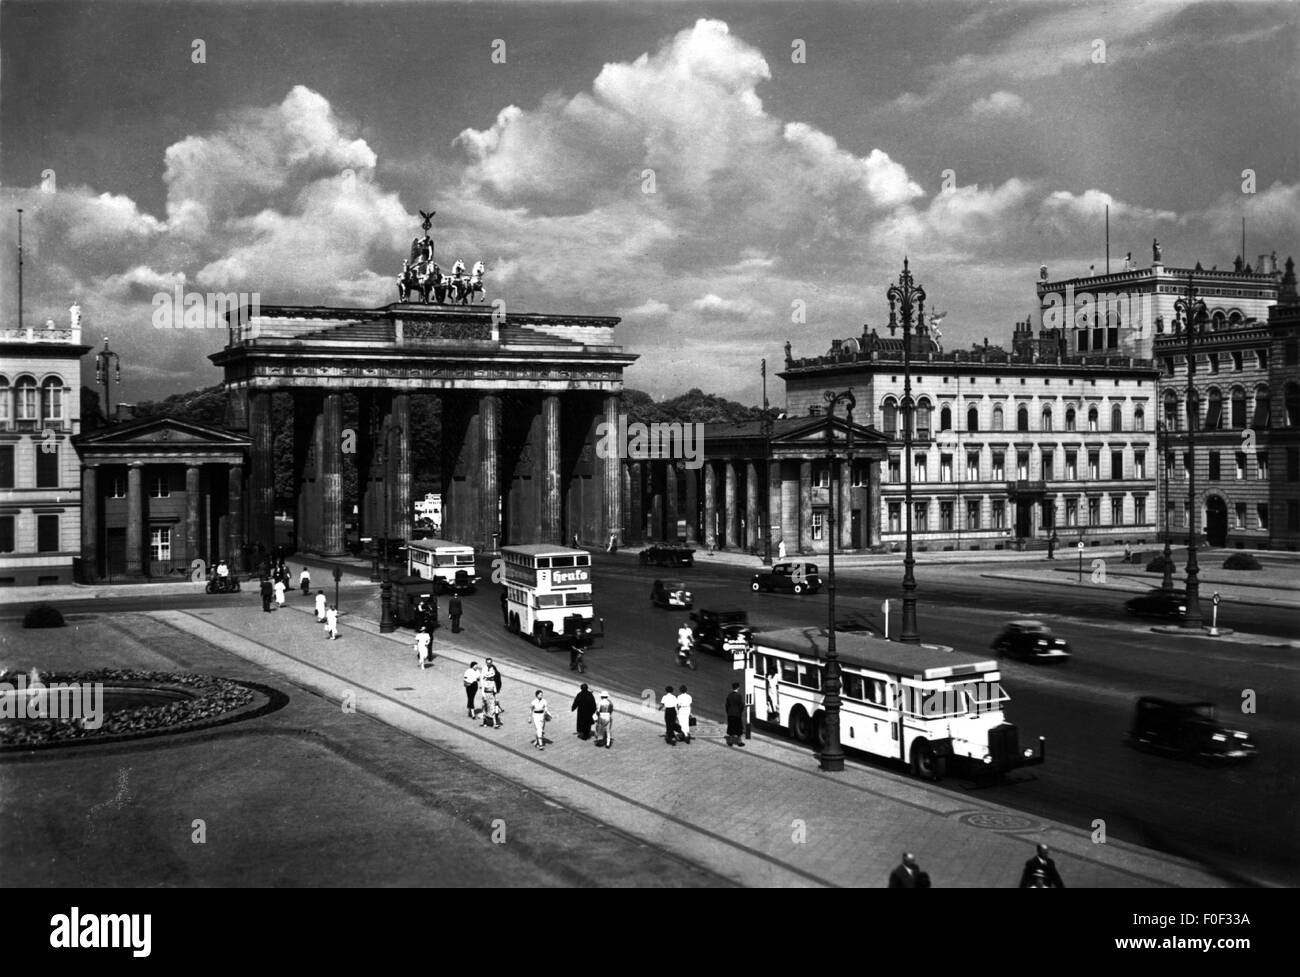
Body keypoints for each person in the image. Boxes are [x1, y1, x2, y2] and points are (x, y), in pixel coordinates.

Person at [481, 658, 502, 729]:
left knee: (492, 707)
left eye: (490, 662)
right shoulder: (484, 669)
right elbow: (482, 682)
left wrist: (496, 690)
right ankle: (485, 722)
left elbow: (496, 680)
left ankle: (494, 723)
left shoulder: (493, 669)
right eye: (488, 663)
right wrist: (483, 693)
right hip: (486, 691)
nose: (489, 664)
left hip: (492, 692)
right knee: (485, 707)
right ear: (486, 663)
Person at [724, 681, 746, 747]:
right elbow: (741, 705)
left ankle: (730, 741)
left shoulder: (729, 695)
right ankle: (739, 742)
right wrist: (740, 712)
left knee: (731, 727)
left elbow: (727, 705)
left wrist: (728, 712)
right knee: (739, 728)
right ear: (738, 688)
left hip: (730, 714)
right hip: (737, 714)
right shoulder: (739, 696)